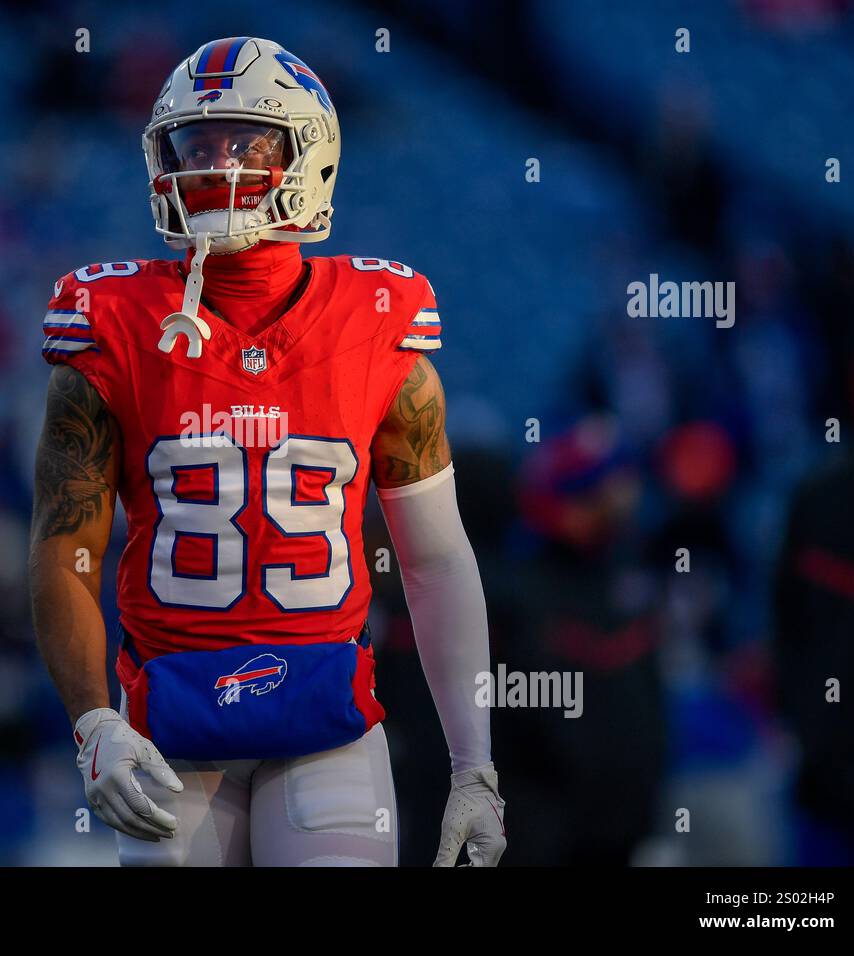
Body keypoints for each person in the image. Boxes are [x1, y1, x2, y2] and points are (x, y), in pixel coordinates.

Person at [28, 37, 504, 866]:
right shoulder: (111, 318)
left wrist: (475, 768)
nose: (211, 164)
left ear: (308, 155)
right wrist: (93, 721)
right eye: (193, 144)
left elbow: (435, 562)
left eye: (242, 140)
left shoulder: (379, 316)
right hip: (168, 720)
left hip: (325, 721)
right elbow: (66, 549)